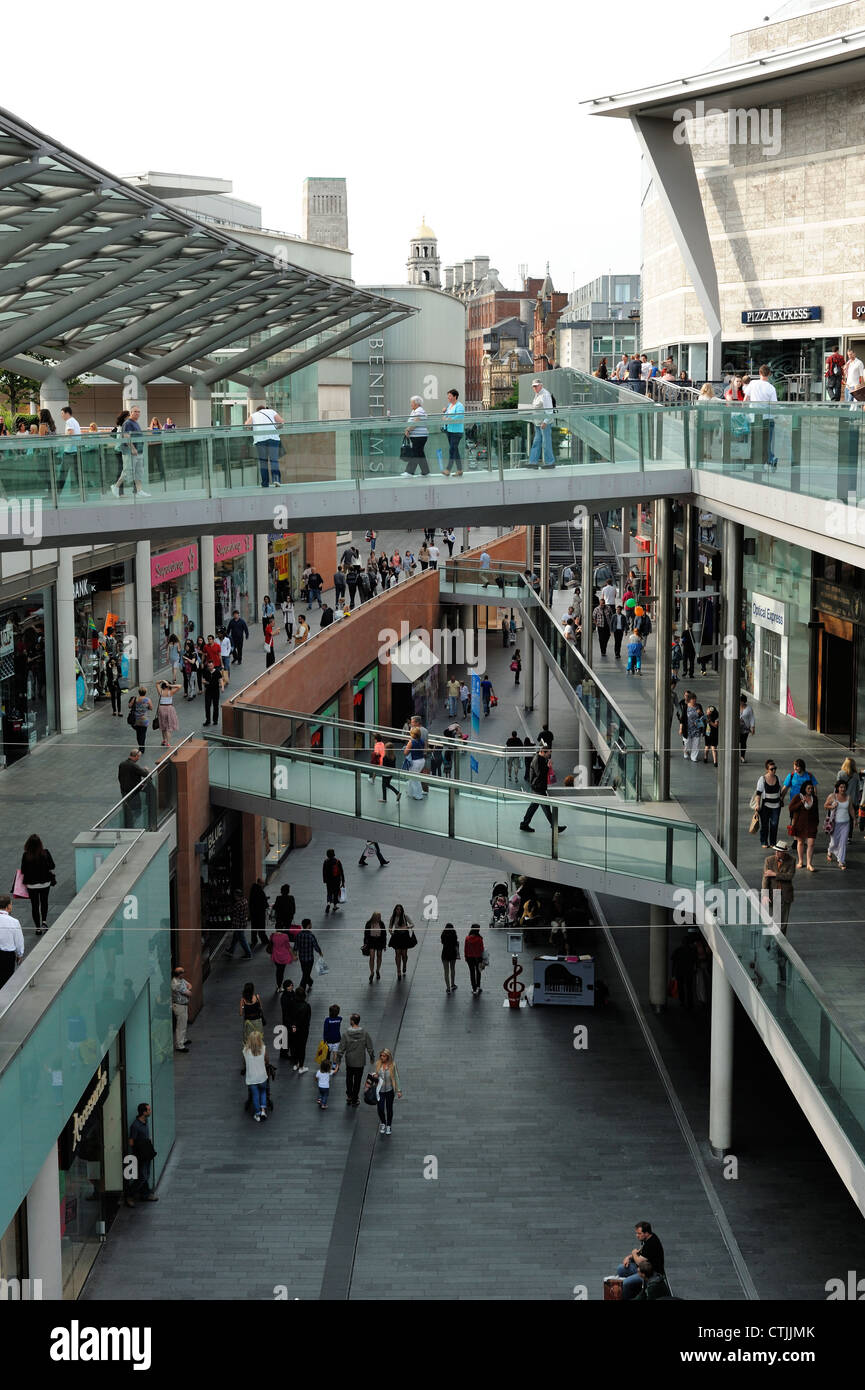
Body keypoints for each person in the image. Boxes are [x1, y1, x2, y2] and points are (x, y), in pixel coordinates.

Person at [520, 746, 567, 834]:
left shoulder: (540, 758)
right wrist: (548, 766)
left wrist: (547, 765)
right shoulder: (538, 760)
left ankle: (524, 824)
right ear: (543, 752)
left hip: (537, 786)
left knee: (534, 807)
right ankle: (555, 827)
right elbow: (540, 774)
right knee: (545, 807)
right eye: (548, 754)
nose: (549, 756)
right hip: (538, 787)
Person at [616, 1221, 665, 1300]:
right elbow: (640, 1252)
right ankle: (633, 1288)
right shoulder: (647, 1238)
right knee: (620, 1269)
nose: (637, 1235)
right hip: (642, 1267)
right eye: (637, 1233)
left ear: (646, 1233)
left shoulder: (652, 1244)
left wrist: (633, 1253)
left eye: (639, 1233)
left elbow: (639, 1261)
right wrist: (629, 1257)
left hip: (649, 1273)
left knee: (625, 1283)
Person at [335, 1012, 376, 1106]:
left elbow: (341, 1049)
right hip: (360, 1061)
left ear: (352, 1021)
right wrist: (372, 1057)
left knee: (349, 1078)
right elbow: (370, 1047)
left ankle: (349, 1096)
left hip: (350, 1061)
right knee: (357, 1080)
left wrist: (338, 1061)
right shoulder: (365, 1034)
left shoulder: (346, 1034)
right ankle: (355, 1098)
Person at [19, 833, 56, 935]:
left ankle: (37, 928)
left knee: (34, 905)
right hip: (45, 883)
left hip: (32, 885)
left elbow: (23, 870)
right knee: (44, 902)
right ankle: (44, 922)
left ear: (28, 844)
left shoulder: (26, 855)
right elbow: (52, 866)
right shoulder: (45, 853)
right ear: (40, 844)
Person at [742, 364, 778, 465]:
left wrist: (744, 411)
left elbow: (746, 399)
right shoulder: (771, 388)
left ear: (759, 373)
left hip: (754, 417)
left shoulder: (753, 383)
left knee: (754, 440)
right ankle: (768, 459)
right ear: (769, 374)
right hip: (767, 418)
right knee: (767, 442)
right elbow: (774, 406)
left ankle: (755, 461)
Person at [126, 1102, 158, 1203]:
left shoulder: (145, 1121)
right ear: (143, 1112)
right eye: (148, 1110)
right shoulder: (135, 1126)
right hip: (140, 1154)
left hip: (147, 1152)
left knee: (146, 1174)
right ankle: (130, 1195)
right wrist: (139, 1151)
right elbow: (131, 1141)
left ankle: (145, 1194)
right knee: (142, 1176)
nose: (150, 1111)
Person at [245, 402, 284, 487]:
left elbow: (247, 424)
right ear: (265, 408)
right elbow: (281, 422)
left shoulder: (254, 415)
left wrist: (253, 428)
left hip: (260, 439)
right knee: (274, 460)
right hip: (273, 438)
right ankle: (276, 480)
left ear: (257, 410)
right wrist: (277, 428)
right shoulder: (271, 411)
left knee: (263, 462)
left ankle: (265, 483)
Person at [762, 840, 796, 934]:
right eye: (776, 851)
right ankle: (771, 942)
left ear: (784, 852)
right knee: (772, 920)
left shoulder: (792, 860)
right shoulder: (769, 860)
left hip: (785, 895)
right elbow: (765, 879)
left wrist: (774, 874)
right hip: (773, 894)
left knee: (783, 921)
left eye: (779, 851)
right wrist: (765, 894)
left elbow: (789, 876)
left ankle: (781, 944)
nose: (776, 853)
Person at [789, 782, 819, 872]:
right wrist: (800, 803)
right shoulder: (798, 797)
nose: (810, 790)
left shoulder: (815, 798)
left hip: (812, 824)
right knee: (800, 842)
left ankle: (809, 863)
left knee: (811, 843)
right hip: (800, 824)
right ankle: (801, 861)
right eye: (808, 788)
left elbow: (816, 811)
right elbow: (791, 808)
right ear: (804, 788)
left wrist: (817, 822)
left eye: (811, 788)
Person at [374, 1048, 402, 1137]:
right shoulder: (378, 1064)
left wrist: (399, 1090)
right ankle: (383, 1123)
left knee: (389, 1108)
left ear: (388, 1056)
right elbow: (376, 1075)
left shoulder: (392, 1065)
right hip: (380, 1091)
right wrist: (375, 1075)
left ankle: (389, 1125)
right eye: (381, 1055)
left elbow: (396, 1077)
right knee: (380, 1108)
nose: (382, 1057)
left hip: (389, 1090)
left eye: (384, 1056)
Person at [755, 759, 782, 848]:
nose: (774, 770)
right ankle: (764, 841)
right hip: (765, 806)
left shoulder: (778, 778)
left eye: (775, 768)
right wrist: (757, 805)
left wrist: (781, 799)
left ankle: (773, 842)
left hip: (776, 806)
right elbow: (758, 793)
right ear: (767, 769)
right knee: (765, 824)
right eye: (772, 769)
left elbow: (780, 791)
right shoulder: (762, 779)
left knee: (774, 824)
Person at [528, 379, 555, 466]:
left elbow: (549, 410)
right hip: (538, 423)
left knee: (546, 443)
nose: (535, 388)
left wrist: (545, 422)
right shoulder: (538, 394)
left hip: (544, 423)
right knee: (537, 442)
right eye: (533, 386)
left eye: (536, 386)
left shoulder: (545, 395)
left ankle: (550, 462)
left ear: (541, 385)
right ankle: (533, 462)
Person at [825, 781, 852, 870]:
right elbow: (826, 805)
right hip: (835, 823)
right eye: (841, 787)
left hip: (846, 822)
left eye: (844, 787)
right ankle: (830, 850)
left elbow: (851, 809)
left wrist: (855, 820)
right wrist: (832, 807)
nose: (843, 789)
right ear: (837, 788)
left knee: (843, 842)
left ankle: (841, 861)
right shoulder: (833, 796)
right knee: (834, 842)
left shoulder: (848, 797)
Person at [400, 394, 429, 476]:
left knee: (415, 453)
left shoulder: (419, 410)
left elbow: (416, 421)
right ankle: (425, 471)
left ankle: (409, 471)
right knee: (419, 453)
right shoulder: (415, 411)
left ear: (416, 403)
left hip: (420, 436)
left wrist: (408, 429)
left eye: (411, 403)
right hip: (416, 436)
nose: (410, 404)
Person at [118, 749, 147, 827]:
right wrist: (146, 770)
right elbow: (144, 774)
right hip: (133, 791)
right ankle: (133, 823)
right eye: (138, 757)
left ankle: (128, 823)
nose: (138, 759)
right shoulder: (134, 765)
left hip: (124, 790)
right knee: (136, 809)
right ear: (136, 756)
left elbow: (119, 777)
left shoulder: (122, 764)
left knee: (127, 808)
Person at [0, 894, 25, 988]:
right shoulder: (14, 922)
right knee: (7, 981)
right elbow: (19, 940)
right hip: (7, 956)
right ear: (8, 906)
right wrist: (20, 954)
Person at [294, 918, 322, 994]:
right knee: (306, 974)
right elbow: (315, 946)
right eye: (311, 923)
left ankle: (310, 981)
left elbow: (295, 946)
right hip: (309, 958)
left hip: (302, 958)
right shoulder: (311, 935)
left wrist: (295, 954)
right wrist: (320, 952)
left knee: (305, 972)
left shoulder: (298, 935)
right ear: (309, 925)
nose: (311, 925)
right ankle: (301, 989)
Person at [441, 387, 465, 476]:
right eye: (448, 396)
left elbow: (459, 417)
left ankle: (448, 469)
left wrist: (448, 419)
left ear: (455, 396)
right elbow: (446, 417)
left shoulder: (459, 406)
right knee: (455, 450)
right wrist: (444, 413)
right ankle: (459, 470)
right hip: (449, 430)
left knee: (452, 450)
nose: (448, 398)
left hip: (457, 431)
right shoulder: (449, 405)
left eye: (450, 396)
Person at [289, 985, 312, 1073]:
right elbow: (307, 1020)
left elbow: (289, 1016)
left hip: (293, 1029)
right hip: (303, 1030)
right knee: (302, 1048)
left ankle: (295, 1064)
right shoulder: (306, 1006)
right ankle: (301, 1067)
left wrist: (293, 1026)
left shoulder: (292, 1004)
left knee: (294, 1046)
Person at [153, 678, 181, 748]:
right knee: (169, 726)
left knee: (163, 726)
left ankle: (164, 740)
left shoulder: (160, 692)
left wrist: (162, 680)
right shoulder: (170, 692)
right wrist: (170, 685)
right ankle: (168, 742)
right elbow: (179, 686)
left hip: (161, 708)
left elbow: (156, 683)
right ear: (168, 686)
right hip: (169, 708)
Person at [225, 888, 253, 960]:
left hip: (238, 924)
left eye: (235, 895)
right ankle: (231, 950)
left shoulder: (238, 904)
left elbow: (232, 911)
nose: (234, 897)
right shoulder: (245, 901)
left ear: (237, 895)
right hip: (243, 923)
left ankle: (248, 954)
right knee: (235, 938)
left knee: (242, 940)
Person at [388, 904, 413, 980]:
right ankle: (398, 970)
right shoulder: (393, 917)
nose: (398, 911)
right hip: (397, 936)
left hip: (404, 936)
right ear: (395, 910)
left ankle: (404, 965)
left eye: (400, 909)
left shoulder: (405, 916)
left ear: (402, 910)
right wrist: (390, 932)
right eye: (397, 909)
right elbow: (390, 927)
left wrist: (407, 927)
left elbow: (412, 924)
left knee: (404, 954)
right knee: (398, 953)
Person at [404, 723, 427, 800]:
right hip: (422, 761)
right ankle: (410, 792)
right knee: (413, 777)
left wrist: (408, 744)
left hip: (415, 762)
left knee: (414, 779)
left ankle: (418, 795)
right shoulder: (422, 741)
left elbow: (405, 752)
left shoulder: (411, 742)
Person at [170, 966, 191, 1052]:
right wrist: (187, 990)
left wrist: (187, 990)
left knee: (184, 1023)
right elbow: (189, 993)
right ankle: (179, 1045)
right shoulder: (176, 984)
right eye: (183, 972)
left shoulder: (181, 980)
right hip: (179, 1006)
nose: (184, 973)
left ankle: (183, 1040)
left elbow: (190, 985)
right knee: (181, 1026)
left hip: (184, 1005)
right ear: (179, 974)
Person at [127, 685, 152, 752]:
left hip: (136, 719)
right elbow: (151, 708)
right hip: (144, 719)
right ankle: (142, 747)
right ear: (145, 692)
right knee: (143, 733)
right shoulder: (147, 700)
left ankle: (140, 745)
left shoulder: (135, 699)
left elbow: (129, 706)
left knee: (138, 733)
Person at [201, 659, 224, 729]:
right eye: (208, 666)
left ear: (213, 665)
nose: (210, 667)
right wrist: (205, 682)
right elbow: (203, 680)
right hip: (208, 691)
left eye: (211, 666)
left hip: (215, 691)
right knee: (207, 706)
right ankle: (208, 720)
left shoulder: (217, 672)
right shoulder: (206, 671)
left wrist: (222, 687)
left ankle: (215, 720)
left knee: (215, 706)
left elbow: (220, 679)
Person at [322, 849, 345, 915]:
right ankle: (335, 906)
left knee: (329, 892)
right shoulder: (337, 861)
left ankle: (328, 903)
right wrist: (343, 881)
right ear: (333, 854)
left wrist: (324, 880)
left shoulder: (326, 861)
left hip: (329, 881)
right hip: (336, 880)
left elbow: (324, 872)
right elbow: (341, 872)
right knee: (335, 893)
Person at [464, 923, 485, 995]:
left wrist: (465, 957)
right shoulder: (479, 939)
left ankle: (474, 988)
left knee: (472, 973)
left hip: (469, 957)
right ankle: (478, 986)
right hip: (478, 957)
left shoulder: (467, 938)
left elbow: (465, 949)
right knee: (478, 972)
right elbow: (482, 949)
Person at [440, 921, 460, 994]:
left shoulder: (443, 935)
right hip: (452, 954)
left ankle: (448, 988)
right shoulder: (454, 935)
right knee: (452, 969)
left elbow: (442, 942)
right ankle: (453, 984)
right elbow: (455, 943)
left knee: (446, 971)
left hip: (445, 954)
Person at [739, 694, 756, 763]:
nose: (739, 702)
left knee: (743, 742)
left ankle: (742, 757)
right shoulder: (735, 706)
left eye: (740, 701)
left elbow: (752, 718)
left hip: (745, 728)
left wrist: (752, 727)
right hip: (736, 728)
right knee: (736, 742)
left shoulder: (749, 708)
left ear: (743, 701)